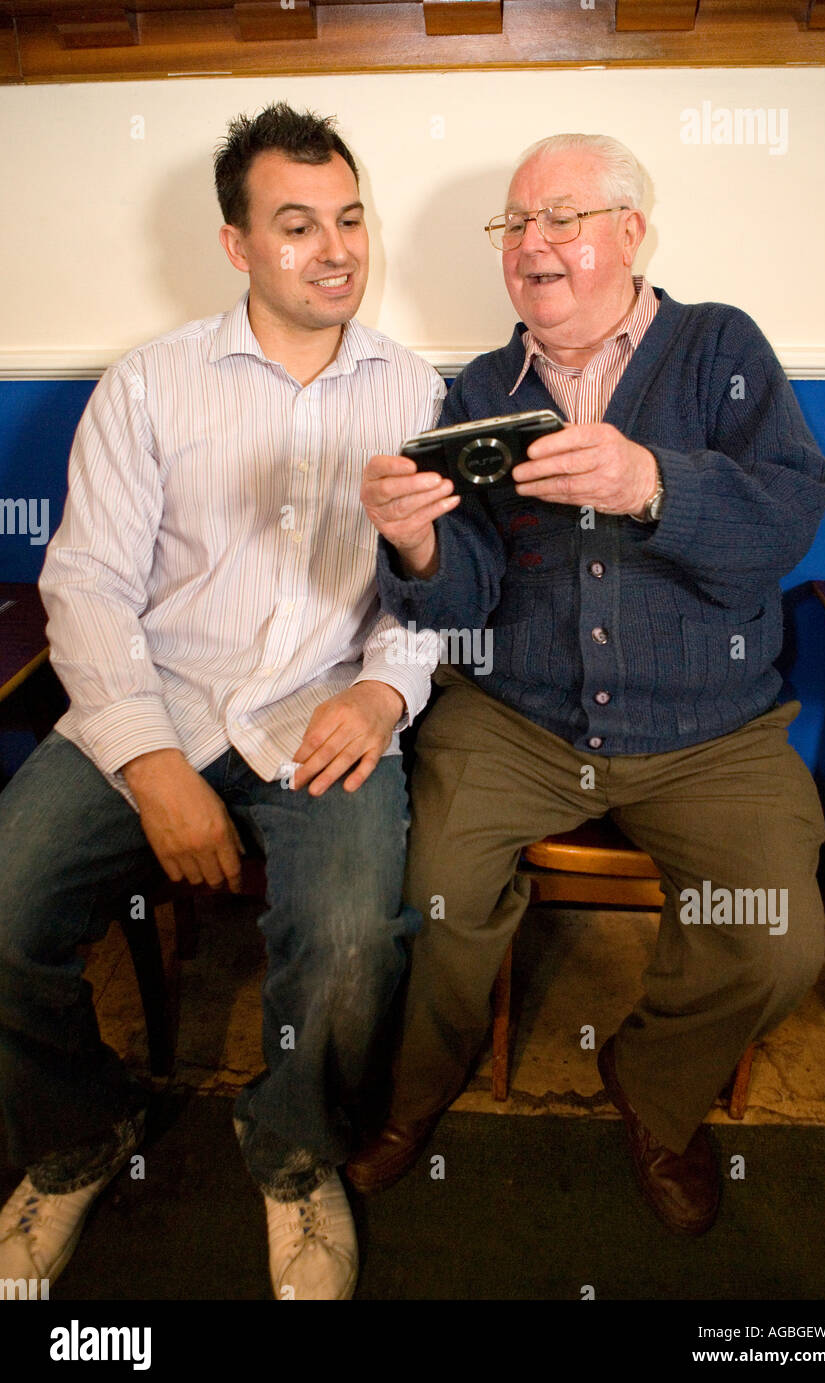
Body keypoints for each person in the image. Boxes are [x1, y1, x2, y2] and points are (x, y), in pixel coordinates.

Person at [348, 132, 825, 1237]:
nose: (534, 244)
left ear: (630, 233)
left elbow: (792, 514)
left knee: (776, 942)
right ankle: (417, 1090)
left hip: (710, 728)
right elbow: (459, 596)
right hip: (517, 720)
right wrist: (416, 547)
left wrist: (653, 479)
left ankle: (652, 1087)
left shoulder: (719, 348)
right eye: (516, 225)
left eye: (561, 218)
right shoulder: (477, 388)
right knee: (431, 891)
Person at [0, 103, 444, 1300]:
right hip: (156, 698)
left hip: (322, 711)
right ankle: (76, 1133)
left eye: (350, 219)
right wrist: (148, 765)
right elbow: (85, 584)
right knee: (0, 906)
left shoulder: (419, 391)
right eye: (296, 224)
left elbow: (441, 588)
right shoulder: (147, 386)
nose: (335, 248)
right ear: (235, 244)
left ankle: (296, 1157)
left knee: (353, 944)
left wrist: (383, 694)